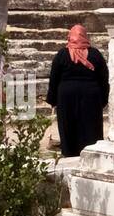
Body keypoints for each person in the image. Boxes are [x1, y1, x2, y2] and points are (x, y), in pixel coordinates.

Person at [46, 24, 110, 157]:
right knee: (91, 127)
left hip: (66, 96)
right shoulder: (95, 55)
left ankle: (70, 154)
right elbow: (104, 78)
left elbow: (54, 78)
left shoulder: (62, 55)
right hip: (91, 96)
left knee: (68, 126)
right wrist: (103, 100)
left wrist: (52, 99)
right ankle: (91, 155)